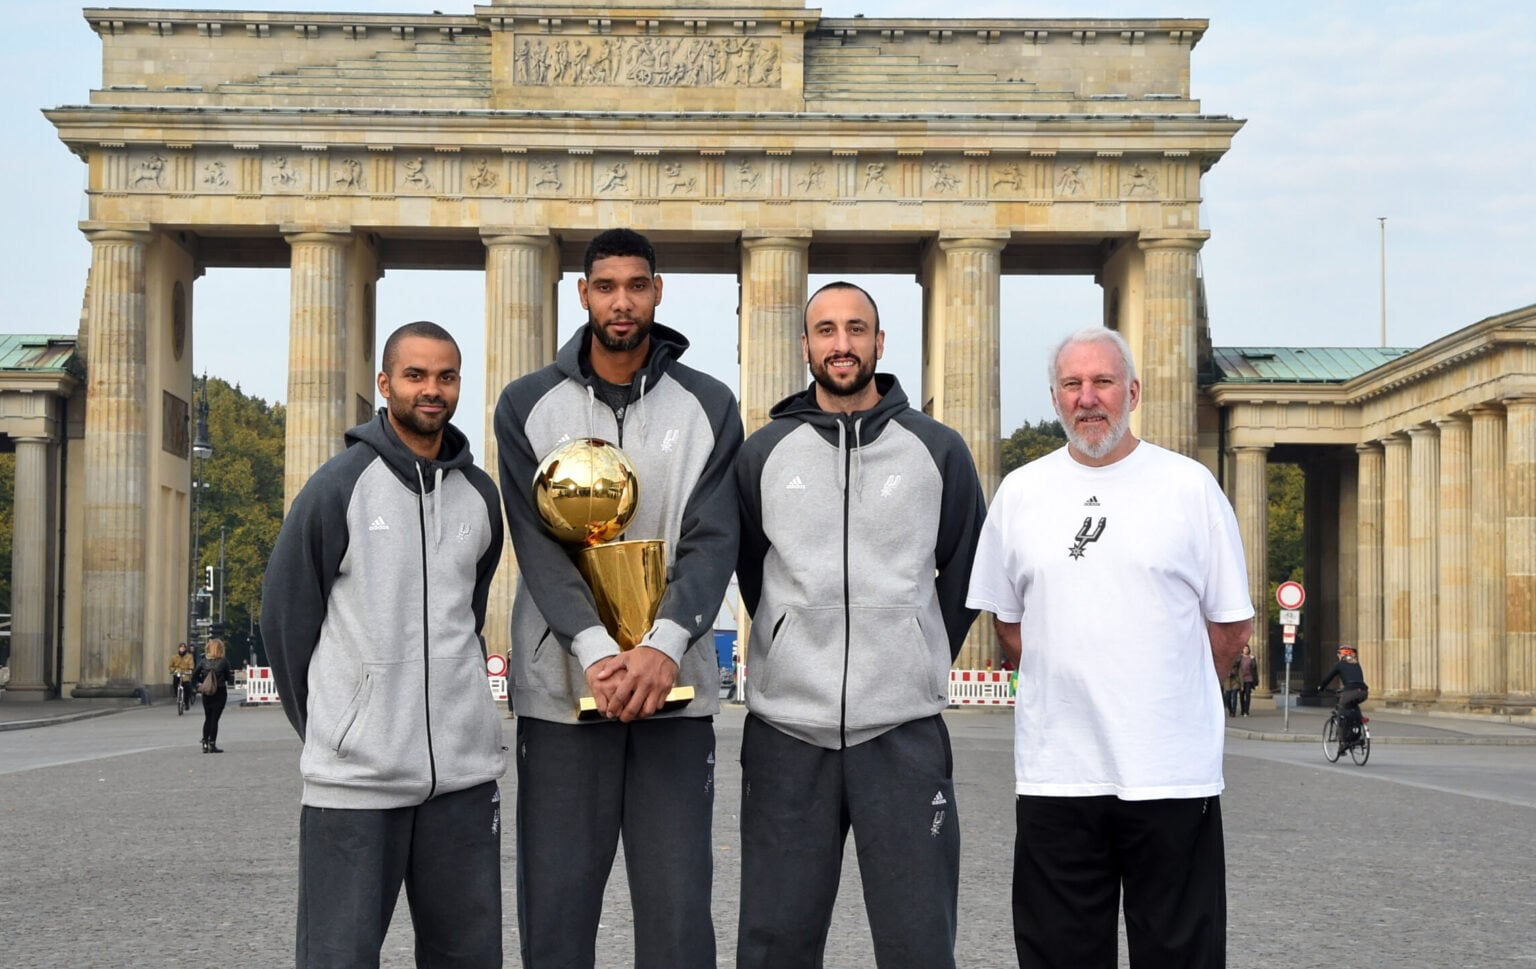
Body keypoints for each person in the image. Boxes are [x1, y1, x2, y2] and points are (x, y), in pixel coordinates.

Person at [965, 326, 1254, 969]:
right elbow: (1008, 625)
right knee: (1058, 955)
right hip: (1058, 770)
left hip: (1169, 773)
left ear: (1134, 392)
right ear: (1055, 398)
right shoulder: (1021, 493)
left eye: (1102, 382)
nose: (1088, 397)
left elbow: (1231, 627)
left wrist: (1169, 691)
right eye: (1072, 384)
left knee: (1180, 955)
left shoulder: (1189, 487)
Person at [493, 228, 742, 969]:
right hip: (563, 692)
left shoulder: (709, 404)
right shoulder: (525, 404)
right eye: (606, 287)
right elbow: (537, 545)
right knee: (556, 917)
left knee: (678, 919)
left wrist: (664, 646)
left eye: (636, 286)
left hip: (675, 688)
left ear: (658, 292)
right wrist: (597, 651)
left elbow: (712, 537)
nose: (622, 302)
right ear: (583, 295)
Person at [733, 281, 986, 968]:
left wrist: (915, 649)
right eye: (826, 330)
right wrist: (791, 639)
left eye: (855, 328)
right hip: (787, 733)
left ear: (879, 341)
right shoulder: (764, 452)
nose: (841, 343)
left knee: (919, 944)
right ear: (805, 345)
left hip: (902, 732)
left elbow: (965, 568)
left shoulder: (938, 449)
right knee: (775, 944)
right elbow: (755, 570)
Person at [261, 320, 507, 969]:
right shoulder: (337, 486)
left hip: (462, 778)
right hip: (357, 783)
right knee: (338, 958)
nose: (432, 389)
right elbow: (285, 618)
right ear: (385, 383)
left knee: (468, 958)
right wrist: (339, 727)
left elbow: (468, 617)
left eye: (446, 376)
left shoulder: (481, 496)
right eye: (415, 375)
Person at [1318, 645, 1369, 735]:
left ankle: (1343, 737)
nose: (1338, 656)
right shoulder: (1356, 664)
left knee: (1341, 710)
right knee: (1353, 705)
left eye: (1338, 655)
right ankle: (1359, 723)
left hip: (1351, 691)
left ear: (1341, 655)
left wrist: (1321, 687)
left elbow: (1329, 677)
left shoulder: (1339, 664)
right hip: (1363, 691)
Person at [194, 638, 233, 752]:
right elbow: (228, 677)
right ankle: (212, 744)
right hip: (219, 691)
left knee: (208, 718)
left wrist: (201, 682)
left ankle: (205, 744)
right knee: (215, 719)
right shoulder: (223, 661)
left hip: (207, 692)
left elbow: (195, 675)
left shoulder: (203, 661)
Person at [1235, 643, 1260, 716]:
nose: (1245, 650)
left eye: (1247, 649)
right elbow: (1236, 665)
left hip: (1249, 678)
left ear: (1249, 650)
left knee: (1248, 694)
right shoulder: (1240, 658)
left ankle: (1246, 710)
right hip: (1241, 679)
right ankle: (1243, 710)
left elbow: (1254, 668)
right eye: (1244, 649)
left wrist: (1253, 659)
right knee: (1241, 695)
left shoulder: (1251, 658)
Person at [170, 642, 196, 709]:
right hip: (178, 672)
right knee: (175, 682)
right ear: (179, 648)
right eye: (181, 647)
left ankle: (186, 702)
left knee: (187, 687)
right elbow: (171, 666)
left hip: (186, 673)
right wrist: (173, 670)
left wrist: (190, 669)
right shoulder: (174, 657)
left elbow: (191, 664)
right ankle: (177, 695)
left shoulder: (189, 656)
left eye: (184, 647)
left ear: (185, 649)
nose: (182, 648)